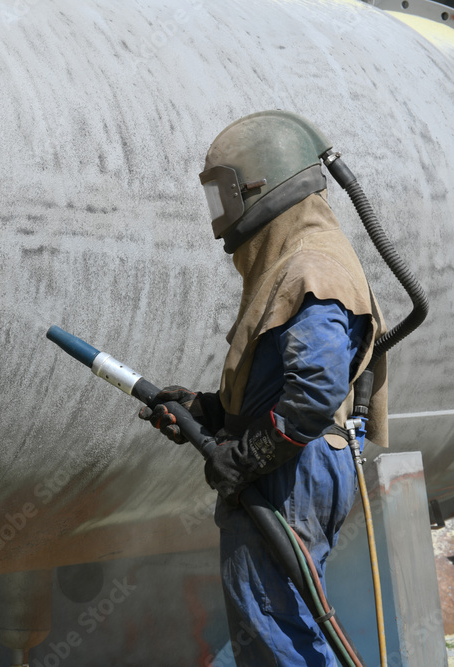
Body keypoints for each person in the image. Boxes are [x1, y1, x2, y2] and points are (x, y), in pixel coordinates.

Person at [138, 110, 387, 665]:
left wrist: (248, 457)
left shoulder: (311, 268)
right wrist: (206, 412)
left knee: (278, 633)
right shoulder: (300, 263)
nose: (222, 221)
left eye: (224, 198)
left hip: (289, 475)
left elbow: (314, 392)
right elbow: (282, 383)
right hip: (291, 467)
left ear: (261, 188)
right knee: (282, 623)